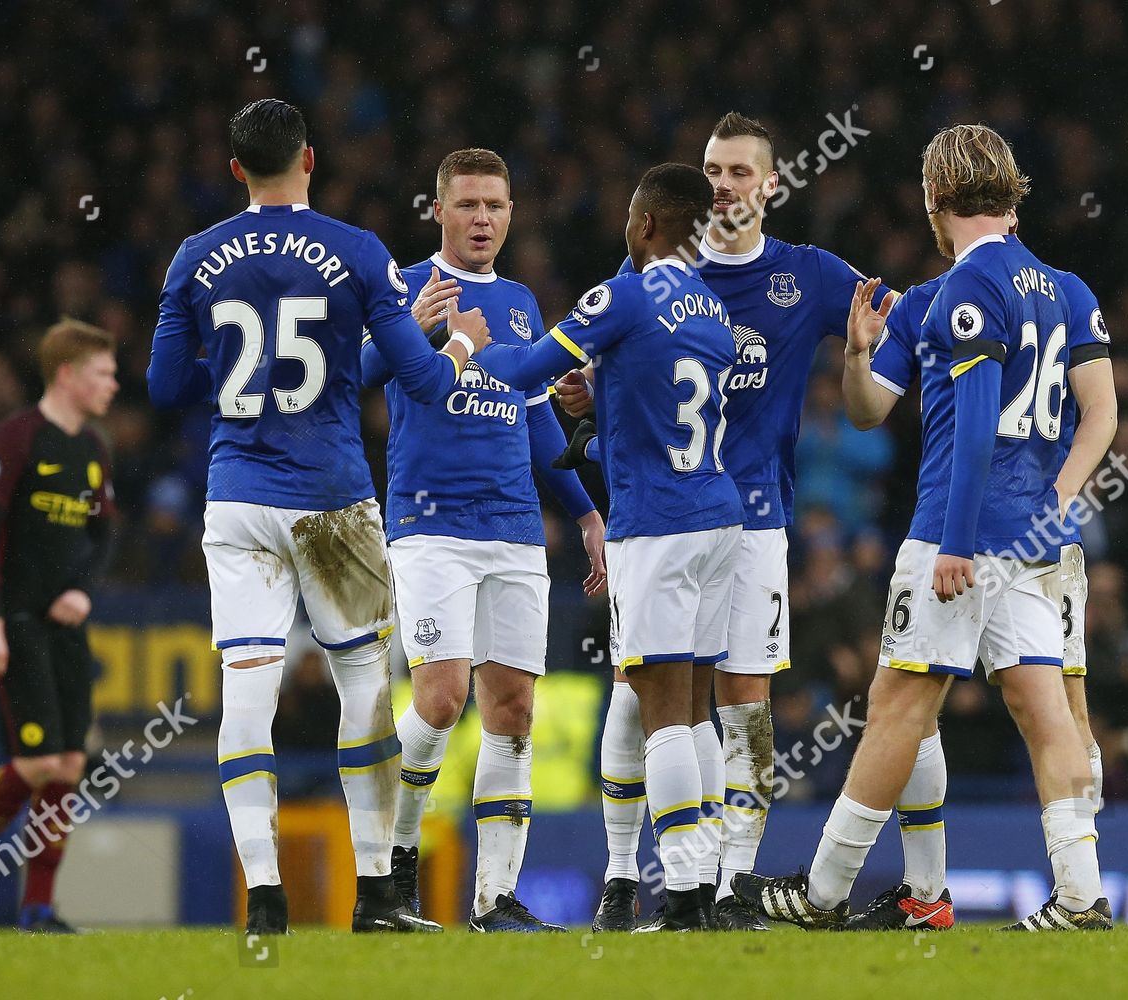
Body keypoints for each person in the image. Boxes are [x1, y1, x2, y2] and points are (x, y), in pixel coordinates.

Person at [734, 124, 1112, 931]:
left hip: (958, 529)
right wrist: (857, 356)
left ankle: (824, 893)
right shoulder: (1063, 289)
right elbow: (875, 412)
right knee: (1045, 710)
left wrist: (955, 545)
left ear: (934, 201)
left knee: (899, 704)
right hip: (1032, 539)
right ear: (1012, 195)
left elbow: (975, 428)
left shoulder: (966, 294)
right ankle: (1081, 896)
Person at [146, 98, 489, 934]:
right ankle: (374, 894)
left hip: (236, 501)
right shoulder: (358, 252)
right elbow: (418, 381)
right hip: (332, 501)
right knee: (365, 689)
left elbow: (162, 388)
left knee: (246, 696)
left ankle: (264, 899)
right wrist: (458, 345)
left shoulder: (194, 258)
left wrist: (233, 375)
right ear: (310, 158)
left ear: (236, 169)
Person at [555, 113, 891, 931]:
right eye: (711, 171)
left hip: (755, 520)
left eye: (741, 172)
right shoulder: (655, 273)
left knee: (742, 703)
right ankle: (620, 876)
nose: (724, 186)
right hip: (666, 516)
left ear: (772, 184)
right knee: (642, 697)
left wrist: (864, 353)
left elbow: (897, 314)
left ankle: (727, 884)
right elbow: (596, 374)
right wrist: (584, 398)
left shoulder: (806, 275)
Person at [475, 162, 743, 931]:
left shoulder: (625, 295)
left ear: (649, 224)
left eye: (632, 218)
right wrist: (607, 397)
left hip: (657, 526)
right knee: (695, 710)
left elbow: (527, 371)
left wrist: (464, 350)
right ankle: (710, 886)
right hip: (717, 515)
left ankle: (686, 897)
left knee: (658, 710)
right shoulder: (713, 312)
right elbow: (659, 413)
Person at [836, 239, 1117, 929]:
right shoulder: (929, 302)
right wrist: (855, 356)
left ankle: (1081, 884)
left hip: (1024, 539)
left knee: (1060, 714)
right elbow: (869, 410)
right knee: (928, 701)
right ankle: (954, 891)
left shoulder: (1056, 292)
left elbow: (1098, 413)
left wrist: (1058, 496)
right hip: (982, 531)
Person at [360, 148, 604, 932]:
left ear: (510, 214)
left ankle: (494, 899)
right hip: (431, 527)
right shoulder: (402, 288)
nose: (482, 219)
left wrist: (585, 511)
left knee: (516, 708)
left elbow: (536, 420)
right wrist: (415, 330)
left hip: (514, 530)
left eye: (495, 206)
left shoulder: (526, 304)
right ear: (438, 210)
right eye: (467, 205)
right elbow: (354, 374)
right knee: (439, 695)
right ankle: (387, 874)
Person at [0, 319, 119, 934]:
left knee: (68, 765)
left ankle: (37, 907)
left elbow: (104, 532)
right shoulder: (14, 438)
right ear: (66, 375)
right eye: (102, 372)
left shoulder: (92, 450)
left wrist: (82, 592)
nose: (114, 384)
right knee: (38, 763)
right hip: (16, 619)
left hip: (66, 625)